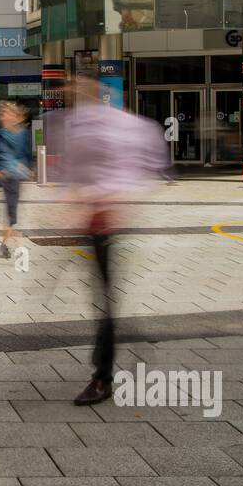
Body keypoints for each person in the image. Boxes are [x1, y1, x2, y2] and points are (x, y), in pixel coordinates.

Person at [64, 77, 170, 407]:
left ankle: (103, 376)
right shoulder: (80, 125)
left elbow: (150, 167)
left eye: (76, 92)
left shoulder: (120, 126)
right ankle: (113, 352)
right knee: (104, 294)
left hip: (112, 222)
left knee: (106, 297)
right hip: (95, 222)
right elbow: (75, 172)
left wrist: (113, 198)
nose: (72, 97)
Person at [0, 102, 34, 259]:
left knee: (11, 214)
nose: (2, 117)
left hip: (16, 177)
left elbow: (26, 155)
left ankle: (7, 243)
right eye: (1, 114)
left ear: (13, 115)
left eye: (5, 114)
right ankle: (11, 244)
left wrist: (26, 167)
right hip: (7, 178)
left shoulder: (23, 134)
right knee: (11, 214)